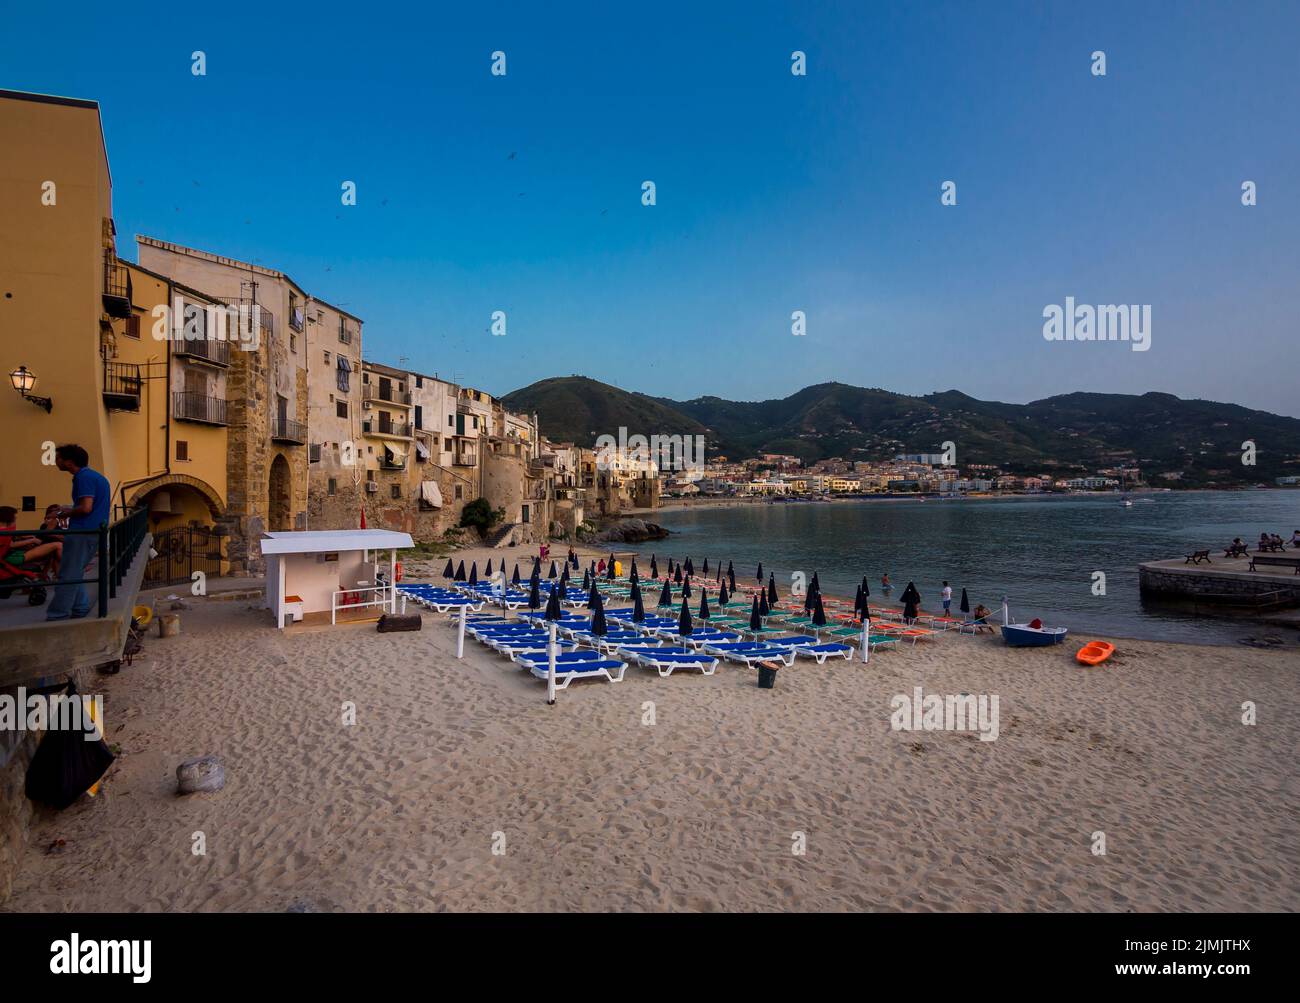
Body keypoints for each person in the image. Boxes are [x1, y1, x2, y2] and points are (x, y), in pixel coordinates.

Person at [46, 444, 111, 621]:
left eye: (58, 458)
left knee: (67, 574)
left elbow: (86, 508)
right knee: (75, 571)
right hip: (92, 530)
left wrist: (62, 513)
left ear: (68, 462)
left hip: (83, 531)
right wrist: (67, 507)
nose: (55, 461)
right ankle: (80, 608)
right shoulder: (94, 477)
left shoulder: (84, 478)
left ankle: (57, 614)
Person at [0, 506, 62, 575]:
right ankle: (65, 574)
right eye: (15, 518)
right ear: (8, 518)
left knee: (53, 548)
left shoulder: (4, 529)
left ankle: (52, 575)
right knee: (58, 545)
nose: (16, 519)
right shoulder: (5, 530)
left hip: (12, 555)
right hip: (13, 557)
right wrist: (32, 540)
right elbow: (11, 544)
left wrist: (24, 537)